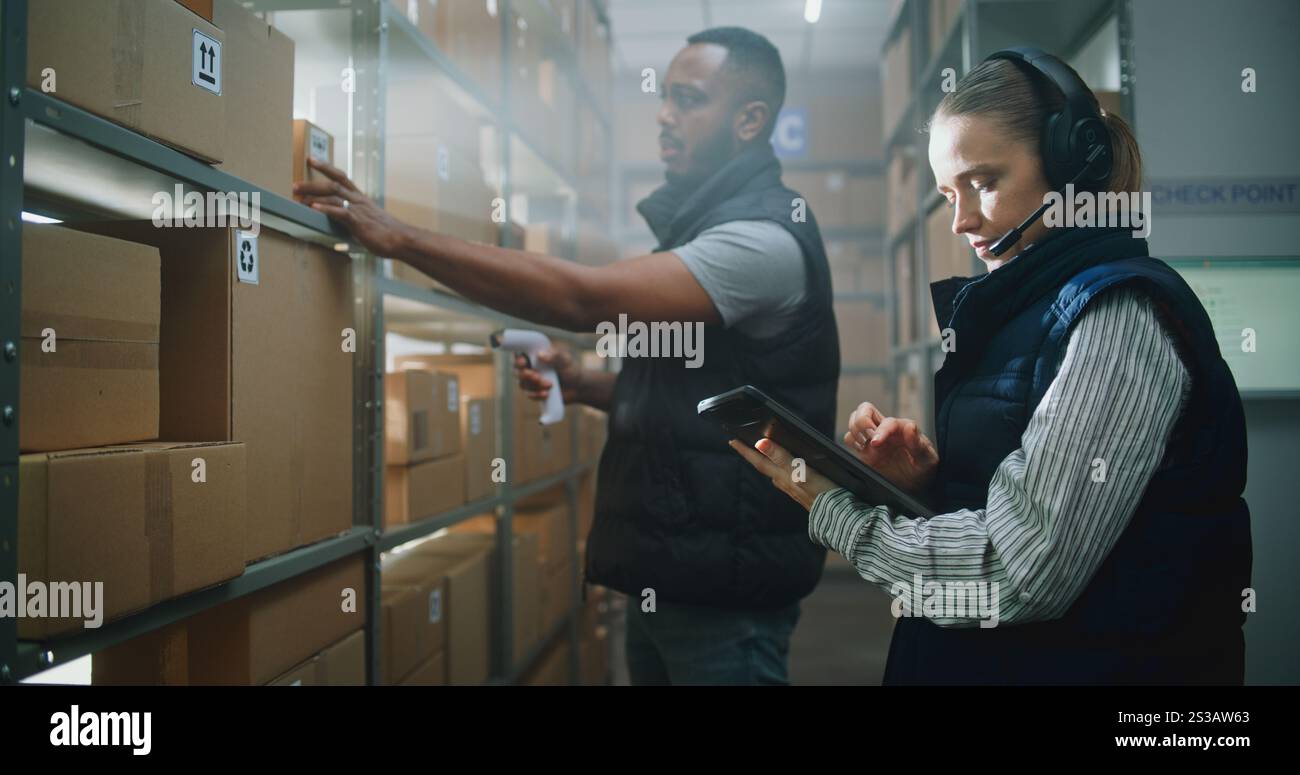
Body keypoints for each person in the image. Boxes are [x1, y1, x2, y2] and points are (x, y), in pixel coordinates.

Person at [295, 27, 841, 685]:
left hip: (726, 594)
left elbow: (584, 300)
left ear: (750, 120)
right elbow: (706, 397)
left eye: (688, 100)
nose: (664, 116)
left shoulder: (760, 241)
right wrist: (584, 383)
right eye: (664, 97)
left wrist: (400, 237)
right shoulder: (714, 225)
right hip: (675, 570)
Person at [732, 47, 1252, 685]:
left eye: (983, 182)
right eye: (949, 193)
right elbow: (1022, 503)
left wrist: (834, 507)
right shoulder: (1023, 311)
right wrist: (926, 488)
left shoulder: (1117, 316)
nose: (962, 221)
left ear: (1071, 164)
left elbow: (1015, 574)